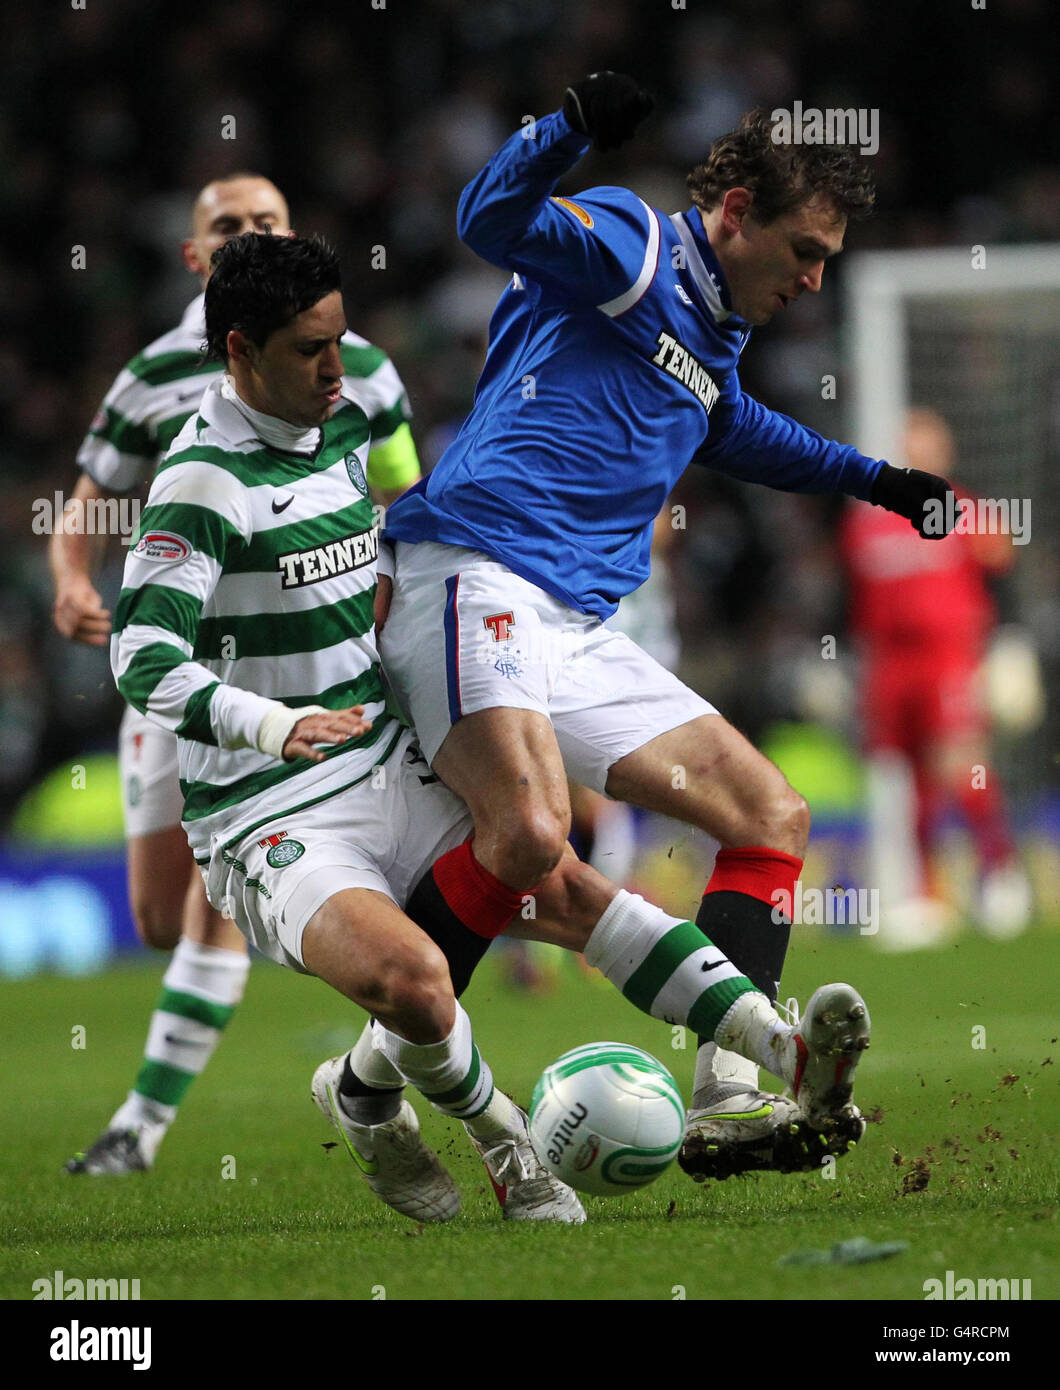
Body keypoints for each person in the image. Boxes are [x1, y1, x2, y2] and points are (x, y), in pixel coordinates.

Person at [113, 231, 872, 1222]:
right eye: (308, 350)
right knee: (420, 980)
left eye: (341, 338)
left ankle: (783, 1054)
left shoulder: (341, 434)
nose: (337, 369)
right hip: (266, 811)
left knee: (557, 871)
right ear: (238, 353)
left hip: (382, 763)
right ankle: (510, 1149)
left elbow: (370, 584)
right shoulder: (201, 482)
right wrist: (268, 724)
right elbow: (141, 657)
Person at [379, 74, 950, 1180]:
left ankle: (729, 1097)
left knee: (768, 813)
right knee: (533, 835)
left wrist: (876, 480)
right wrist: (569, 131)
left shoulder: (716, 331)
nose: (814, 278)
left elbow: (736, 429)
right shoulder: (630, 246)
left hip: (580, 625)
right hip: (478, 572)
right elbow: (486, 219)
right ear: (734, 211)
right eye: (802, 249)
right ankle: (368, 1077)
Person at [52, 173, 421, 1176]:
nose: (249, 232)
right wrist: (68, 573)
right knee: (157, 915)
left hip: (292, 681)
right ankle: (297, 907)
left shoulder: (360, 373)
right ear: (194, 255)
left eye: (266, 221)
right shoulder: (155, 374)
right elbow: (94, 491)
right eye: (228, 224)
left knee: (224, 880)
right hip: (179, 660)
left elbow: (405, 504)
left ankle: (140, 1125)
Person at [840, 407, 1033, 944]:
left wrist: (1010, 643)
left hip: (949, 656)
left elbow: (1002, 580)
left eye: (927, 443)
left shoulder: (969, 512)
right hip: (888, 666)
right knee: (910, 782)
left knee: (962, 765)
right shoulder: (866, 522)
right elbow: (847, 600)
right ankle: (927, 896)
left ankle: (1000, 872)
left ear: (944, 452)